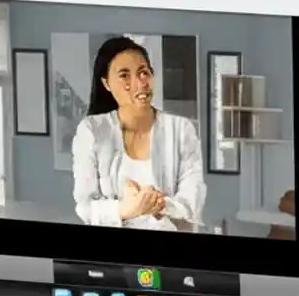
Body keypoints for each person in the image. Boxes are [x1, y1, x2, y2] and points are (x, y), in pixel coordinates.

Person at [72, 36, 207, 231]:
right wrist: (126, 209)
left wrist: (157, 203)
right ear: (106, 83)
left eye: (144, 72)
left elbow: (192, 202)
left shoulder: (181, 129)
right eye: (124, 75)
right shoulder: (91, 130)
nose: (139, 83)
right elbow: (85, 207)